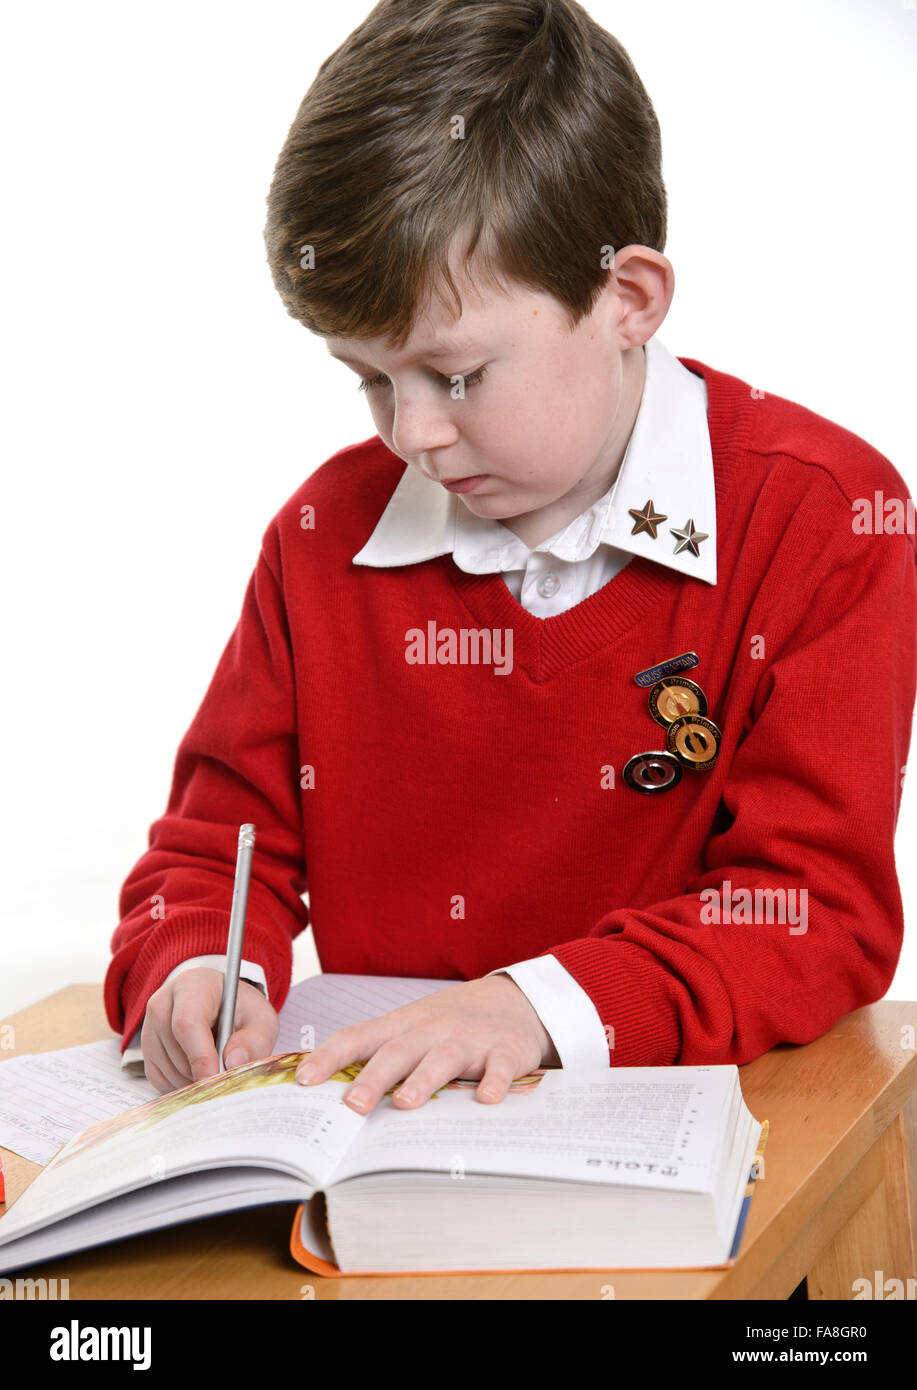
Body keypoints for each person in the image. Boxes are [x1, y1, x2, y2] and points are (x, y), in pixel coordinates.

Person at [104, 0, 917, 1118]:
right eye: (370, 379)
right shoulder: (320, 535)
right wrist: (203, 962)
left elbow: (811, 907)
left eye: (459, 374)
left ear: (625, 299)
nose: (410, 433)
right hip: (368, 1136)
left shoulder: (822, 516)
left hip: (689, 1133)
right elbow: (213, 845)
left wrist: (530, 1006)